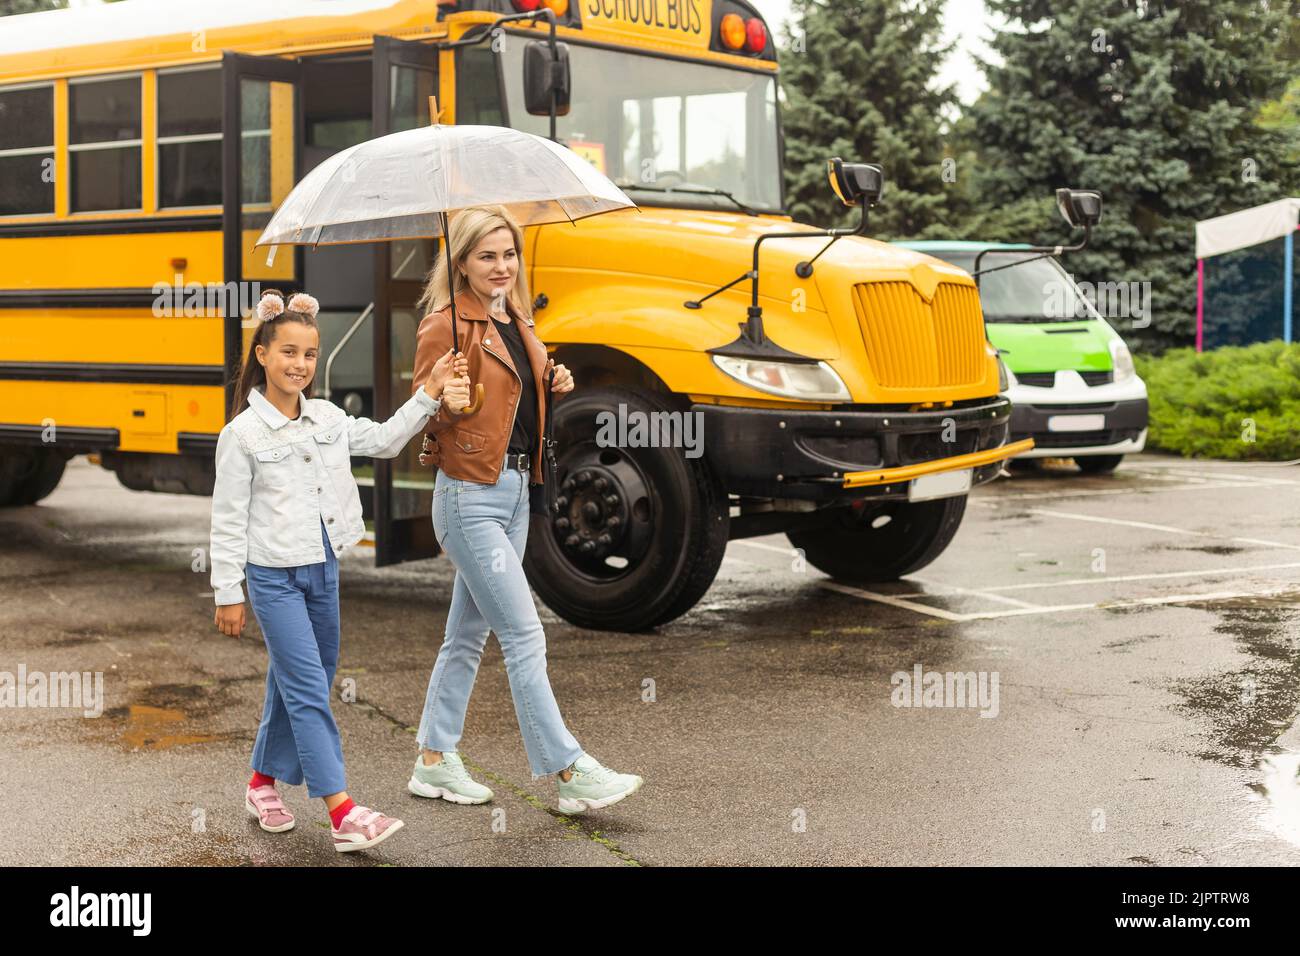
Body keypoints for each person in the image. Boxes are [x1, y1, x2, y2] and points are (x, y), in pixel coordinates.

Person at [210, 287, 467, 852]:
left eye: (309, 354)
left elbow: (382, 440)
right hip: (273, 576)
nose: (300, 365)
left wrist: (427, 394)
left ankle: (260, 782)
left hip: (323, 568)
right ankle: (342, 810)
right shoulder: (243, 436)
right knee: (307, 690)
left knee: (300, 679)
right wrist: (228, 590)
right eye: (288, 353)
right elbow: (227, 520)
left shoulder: (326, 418)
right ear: (262, 356)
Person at [408, 204, 644, 815]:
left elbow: (519, 388)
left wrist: (552, 378)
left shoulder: (516, 317)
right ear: (460, 263)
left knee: (466, 634)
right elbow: (422, 408)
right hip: (468, 496)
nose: (502, 266)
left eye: (509, 254)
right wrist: (444, 396)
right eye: (487, 256)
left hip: (516, 491)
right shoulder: (444, 325)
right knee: (523, 633)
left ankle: (433, 760)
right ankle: (567, 770)